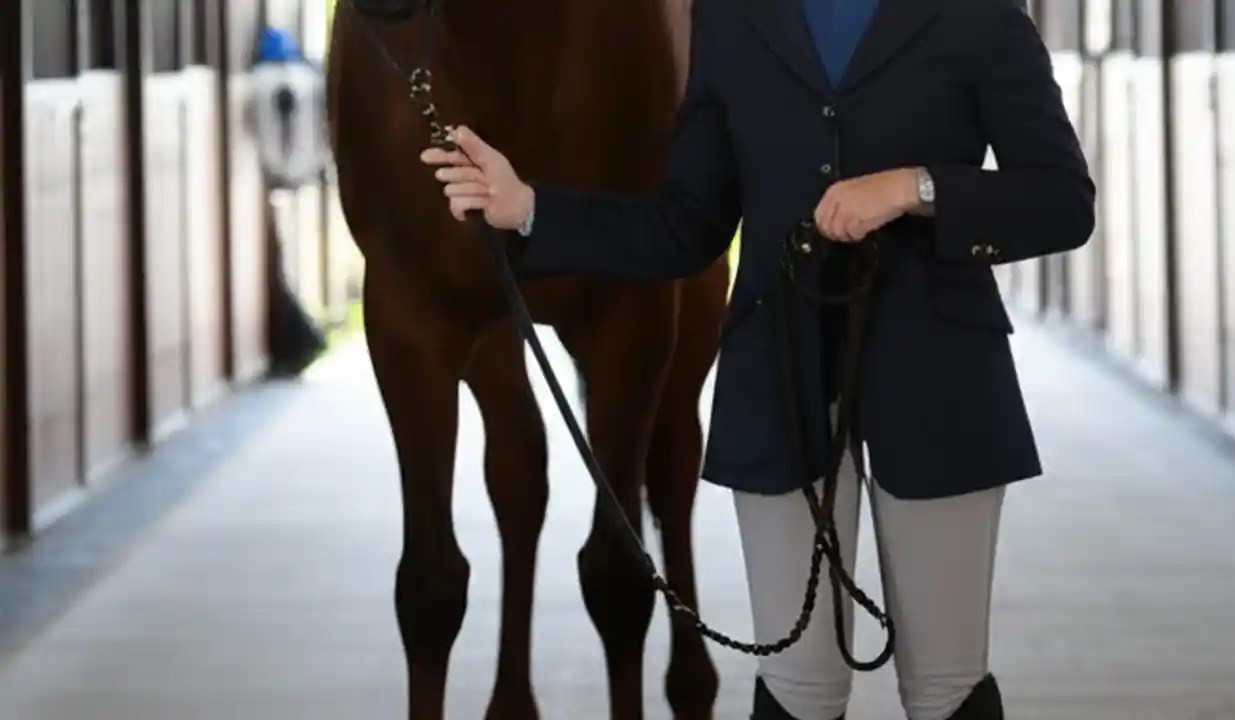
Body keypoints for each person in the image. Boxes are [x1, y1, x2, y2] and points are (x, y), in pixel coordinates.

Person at [422, 0, 1095, 718]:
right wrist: (531, 209)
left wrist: (915, 188)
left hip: (941, 373)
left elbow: (1061, 200)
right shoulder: (731, 15)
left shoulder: (978, 12)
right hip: (778, 377)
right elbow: (687, 225)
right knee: (797, 691)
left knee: (946, 690)